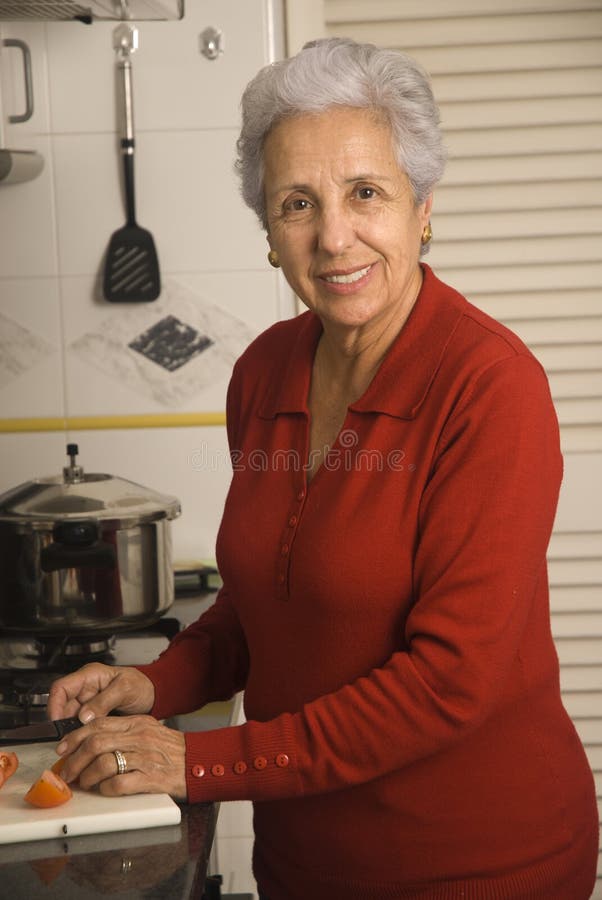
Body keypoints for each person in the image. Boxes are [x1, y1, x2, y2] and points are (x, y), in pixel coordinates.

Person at [48, 38, 598, 900]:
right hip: (304, 862)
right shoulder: (264, 373)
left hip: (474, 865)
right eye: (297, 203)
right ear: (269, 231)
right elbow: (264, 600)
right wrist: (149, 684)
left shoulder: (491, 387)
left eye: (366, 193)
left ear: (422, 206)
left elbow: (452, 678)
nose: (334, 236)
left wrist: (198, 760)